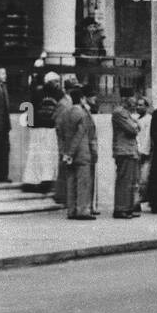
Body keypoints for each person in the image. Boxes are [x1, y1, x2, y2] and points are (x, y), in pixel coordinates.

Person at [62, 86, 98, 220]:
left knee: (71, 182)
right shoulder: (83, 115)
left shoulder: (65, 113)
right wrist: (72, 152)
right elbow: (80, 135)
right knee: (83, 182)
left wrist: (66, 153)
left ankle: (71, 210)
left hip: (68, 153)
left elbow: (60, 132)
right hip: (82, 152)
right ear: (82, 99)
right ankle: (82, 210)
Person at [111, 96, 141, 219]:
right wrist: (135, 125)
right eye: (132, 100)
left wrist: (135, 125)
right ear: (125, 100)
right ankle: (120, 208)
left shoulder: (125, 113)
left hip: (129, 151)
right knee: (124, 181)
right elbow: (132, 129)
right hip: (124, 151)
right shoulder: (119, 113)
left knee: (130, 181)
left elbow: (135, 126)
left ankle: (128, 207)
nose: (134, 103)